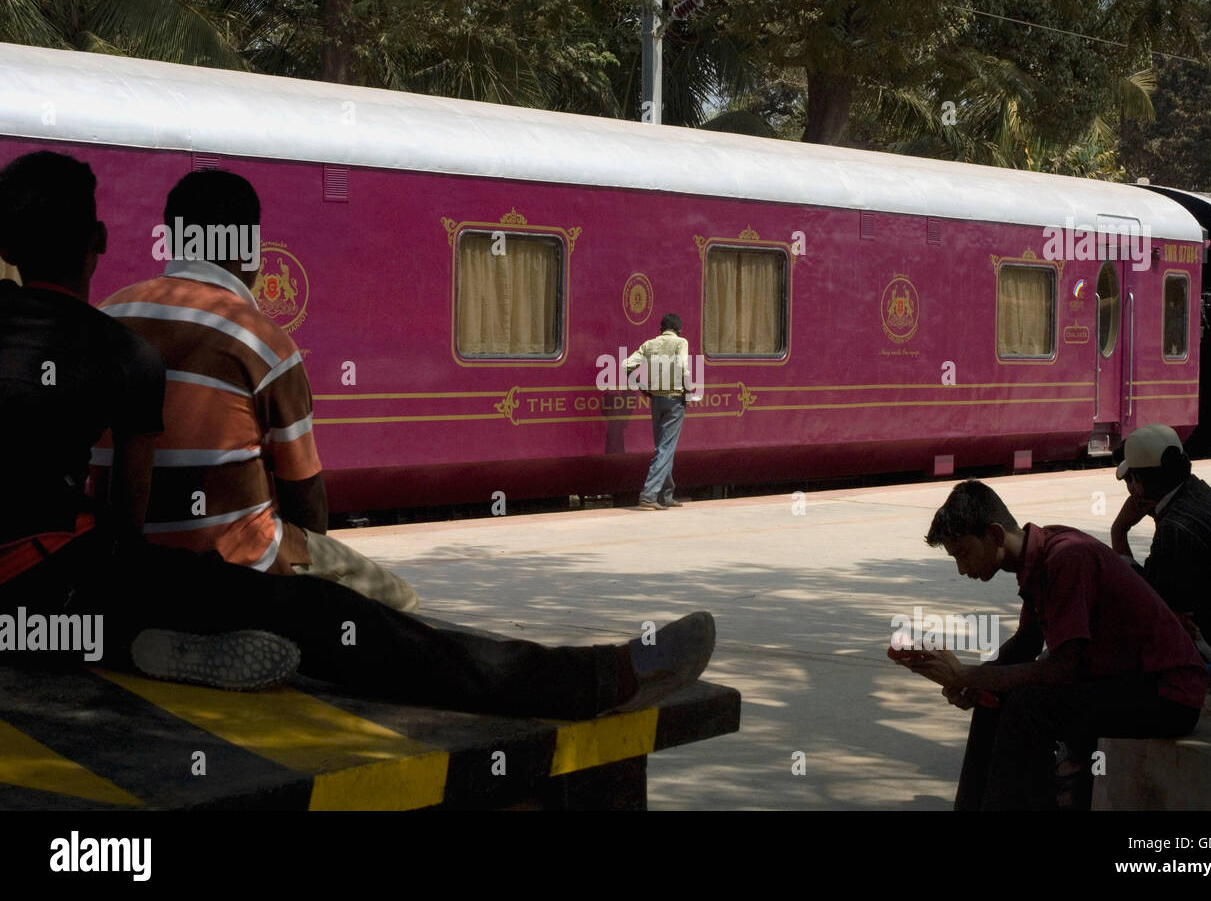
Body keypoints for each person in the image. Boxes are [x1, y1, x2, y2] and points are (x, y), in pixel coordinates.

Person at [0, 149, 715, 719]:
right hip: (75, 581)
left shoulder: (118, 326)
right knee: (339, 612)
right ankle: (583, 679)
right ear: (95, 239)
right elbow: (127, 530)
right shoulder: (124, 352)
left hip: (40, 608)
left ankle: (132, 642)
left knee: (96, 602)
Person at [87, 169, 416, 611]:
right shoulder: (265, 342)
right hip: (239, 565)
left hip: (118, 562)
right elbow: (304, 499)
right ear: (249, 249)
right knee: (400, 602)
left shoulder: (103, 319)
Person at [897, 480, 1207, 811]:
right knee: (995, 700)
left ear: (996, 535)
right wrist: (971, 682)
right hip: (1121, 680)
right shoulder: (1041, 555)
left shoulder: (1066, 557)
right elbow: (1025, 644)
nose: (962, 569)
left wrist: (967, 676)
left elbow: (1063, 668)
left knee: (1028, 708)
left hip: (1167, 693)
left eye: (963, 554)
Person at [1109, 423, 1211, 665]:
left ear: (1137, 483)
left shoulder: (1177, 527)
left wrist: (1119, 531)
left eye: (1129, 481)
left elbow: (1145, 599)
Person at [623, 313, 691, 511]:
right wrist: (688, 391)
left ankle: (666, 495)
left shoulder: (649, 344)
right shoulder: (680, 343)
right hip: (675, 400)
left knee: (663, 446)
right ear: (679, 329)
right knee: (666, 448)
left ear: (661, 328)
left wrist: (642, 386)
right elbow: (683, 367)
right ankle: (649, 495)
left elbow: (626, 364)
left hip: (656, 400)